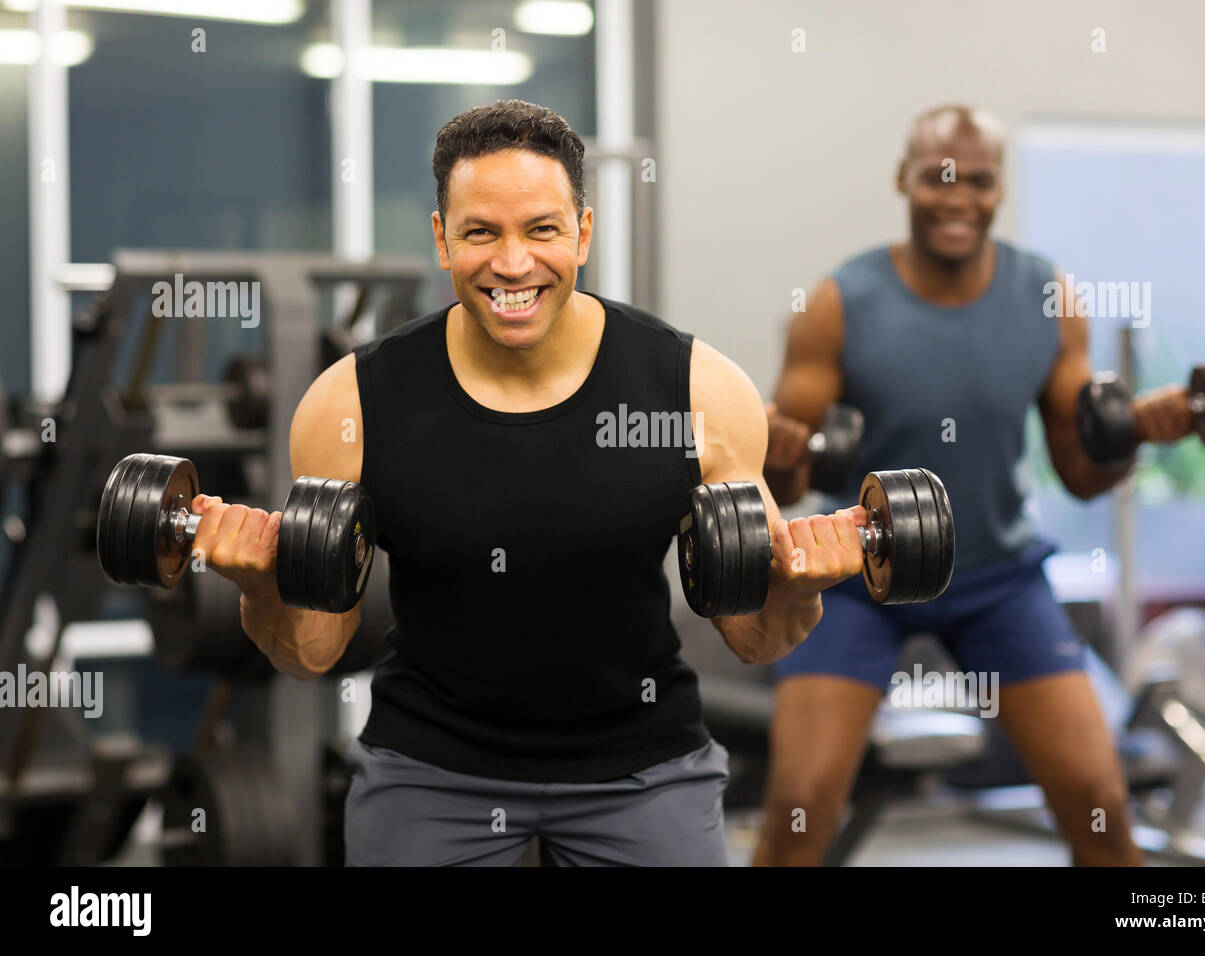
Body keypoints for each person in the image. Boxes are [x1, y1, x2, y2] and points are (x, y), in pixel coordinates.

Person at [186, 99, 872, 866]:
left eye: (541, 230)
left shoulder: (697, 393)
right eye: (482, 232)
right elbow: (312, 651)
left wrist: (800, 584)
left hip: (642, 768)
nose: (513, 264)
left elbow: (755, 637)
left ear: (582, 230)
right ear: (443, 240)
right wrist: (259, 587)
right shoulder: (350, 407)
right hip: (430, 770)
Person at [755, 104, 1194, 867]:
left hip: (997, 576)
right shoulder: (838, 303)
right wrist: (784, 449)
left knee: (1098, 799)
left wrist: (1134, 441)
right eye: (938, 177)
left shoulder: (1047, 299)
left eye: (979, 180)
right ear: (905, 180)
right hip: (860, 579)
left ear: (999, 188)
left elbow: (1083, 476)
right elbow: (785, 485)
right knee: (799, 804)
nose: (958, 197)